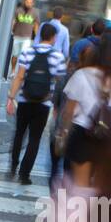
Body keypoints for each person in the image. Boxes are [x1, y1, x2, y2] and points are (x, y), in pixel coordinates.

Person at [54, 29, 111, 186]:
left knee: (80, 190)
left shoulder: (82, 75)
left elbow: (68, 112)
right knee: (101, 192)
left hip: (83, 135)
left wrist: (63, 133)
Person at [7, 21, 67, 185]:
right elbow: (60, 80)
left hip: (24, 99)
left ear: (40, 35)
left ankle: (13, 166)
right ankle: (24, 175)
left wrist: (11, 97)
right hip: (44, 103)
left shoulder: (27, 52)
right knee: (35, 138)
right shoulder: (57, 56)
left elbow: (19, 76)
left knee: (19, 133)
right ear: (54, 37)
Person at [10, 0, 36, 71]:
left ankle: (20, 72)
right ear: (24, 2)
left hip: (27, 38)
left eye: (30, 2)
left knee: (24, 56)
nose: (28, 4)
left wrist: (36, 37)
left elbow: (36, 25)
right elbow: (13, 22)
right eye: (27, 2)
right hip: (17, 36)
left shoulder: (34, 13)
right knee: (15, 55)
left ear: (33, 3)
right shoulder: (18, 10)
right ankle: (13, 70)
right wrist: (12, 30)